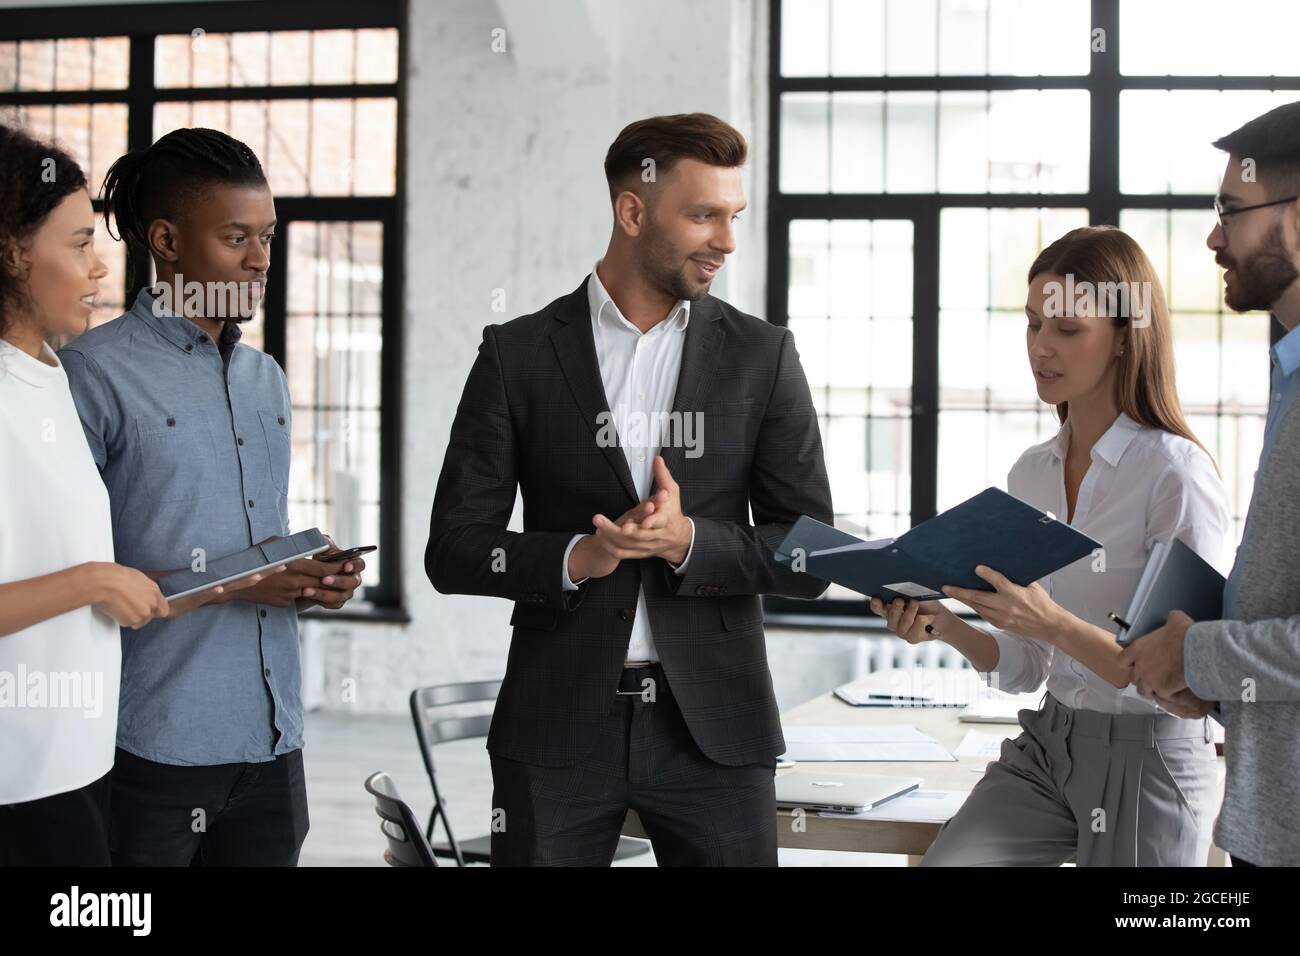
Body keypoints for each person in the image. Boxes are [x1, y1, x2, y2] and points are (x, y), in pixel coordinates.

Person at [426, 113, 833, 866]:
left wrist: (689, 543)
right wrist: (575, 558)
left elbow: (810, 555)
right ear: (633, 210)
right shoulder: (517, 354)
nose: (727, 241)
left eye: (734, 216)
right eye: (704, 215)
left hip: (716, 731)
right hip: (553, 728)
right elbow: (453, 550)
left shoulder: (763, 355)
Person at [58, 128, 365, 866]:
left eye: (267, 236)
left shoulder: (265, 378)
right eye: (236, 238)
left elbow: (254, 539)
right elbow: (73, 584)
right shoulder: (89, 375)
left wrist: (308, 579)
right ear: (166, 241)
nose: (261, 259)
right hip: (153, 743)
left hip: (273, 741)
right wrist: (244, 581)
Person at [875, 226, 1229, 866]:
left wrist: (1051, 622)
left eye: (1067, 329)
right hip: (1049, 742)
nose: (1041, 347)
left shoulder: (1175, 474)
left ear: (1124, 336)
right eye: (1034, 324)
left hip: (1150, 754)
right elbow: (1030, 667)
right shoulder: (1031, 473)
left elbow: (1182, 677)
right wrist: (946, 626)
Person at [0, 124, 264, 865]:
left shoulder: (49, 377)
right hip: (17, 781)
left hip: (77, 765)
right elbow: (79, 579)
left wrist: (165, 590)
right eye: (80, 242)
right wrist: (94, 582)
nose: (100, 265)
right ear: (12, 252)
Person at [1124, 101, 1300, 868]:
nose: (1213, 237)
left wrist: (1198, 656)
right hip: (1271, 816)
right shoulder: (1290, 371)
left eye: (1232, 211)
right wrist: (1213, 679)